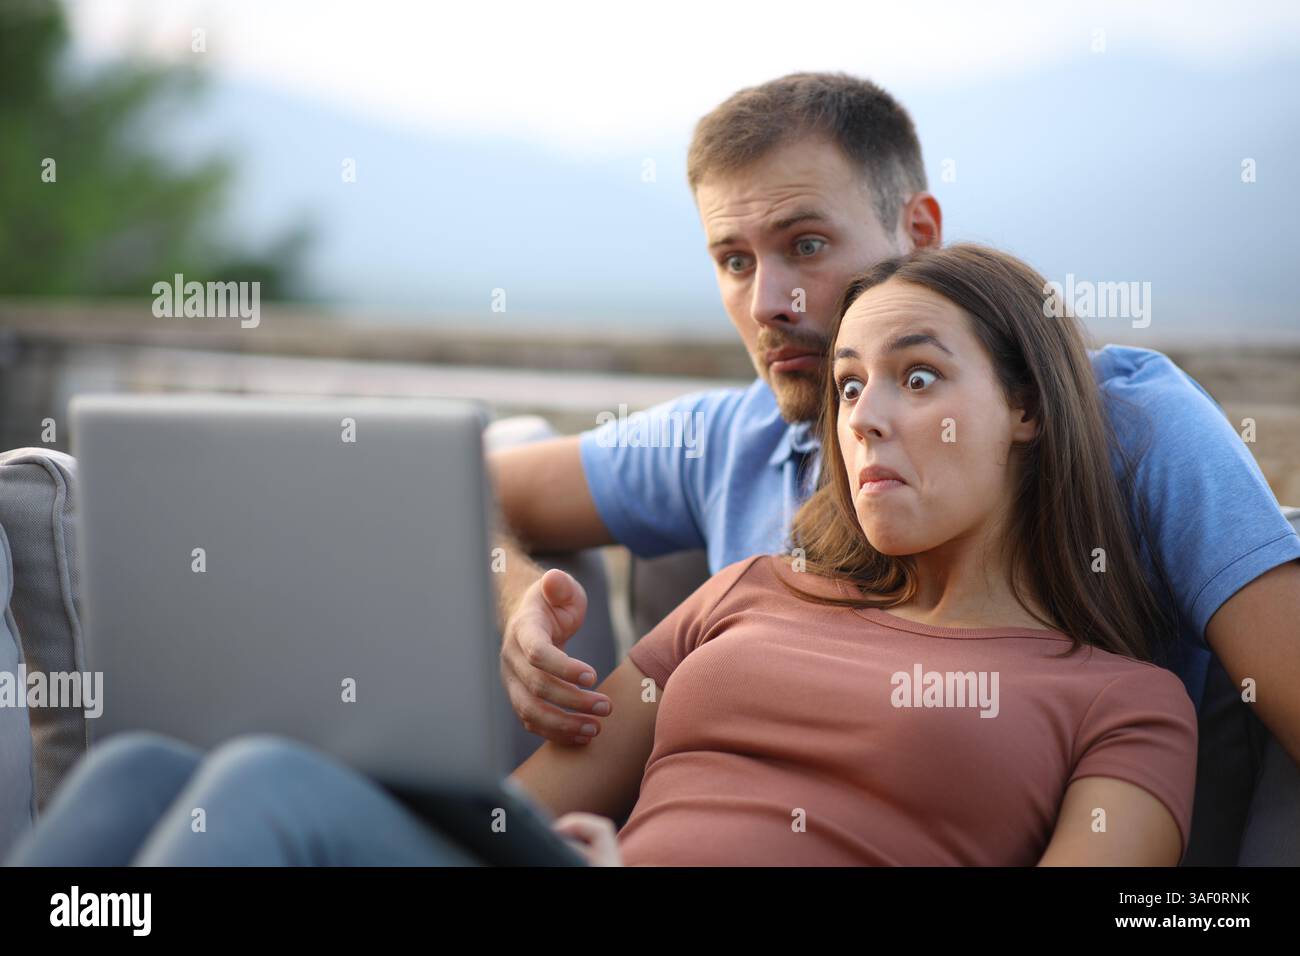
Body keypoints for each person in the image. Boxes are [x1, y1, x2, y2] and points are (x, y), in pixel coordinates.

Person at [6, 244, 1198, 866]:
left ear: (1029, 406)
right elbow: (517, 813)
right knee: (141, 772)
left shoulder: (1124, 704)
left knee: (264, 782)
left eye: (918, 375)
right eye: (846, 385)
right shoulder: (753, 590)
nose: (864, 416)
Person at [491, 73, 1300, 786]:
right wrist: (520, 594)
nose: (771, 301)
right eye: (734, 261)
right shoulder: (726, 441)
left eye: (806, 245)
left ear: (918, 231)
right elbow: (473, 483)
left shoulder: (1130, 422)